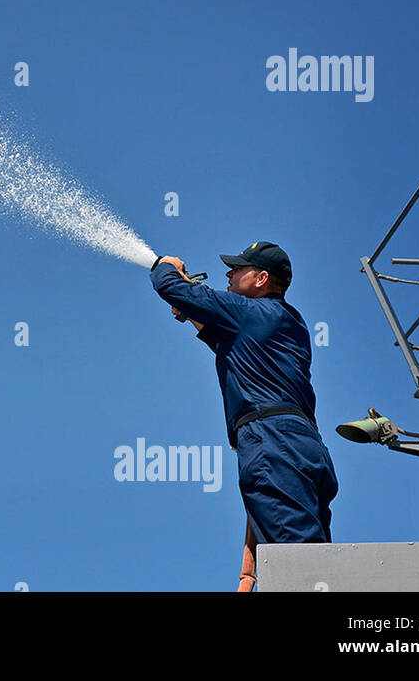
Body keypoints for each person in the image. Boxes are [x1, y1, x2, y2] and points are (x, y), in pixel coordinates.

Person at [149, 241, 338, 592]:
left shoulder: (248, 312)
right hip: (304, 446)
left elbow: (168, 286)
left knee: (298, 560)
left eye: (238, 269)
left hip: (272, 441)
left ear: (262, 278)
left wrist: (166, 264)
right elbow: (221, 338)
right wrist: (192, 310)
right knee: (312, 558)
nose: (229, 274)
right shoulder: (283, 320)